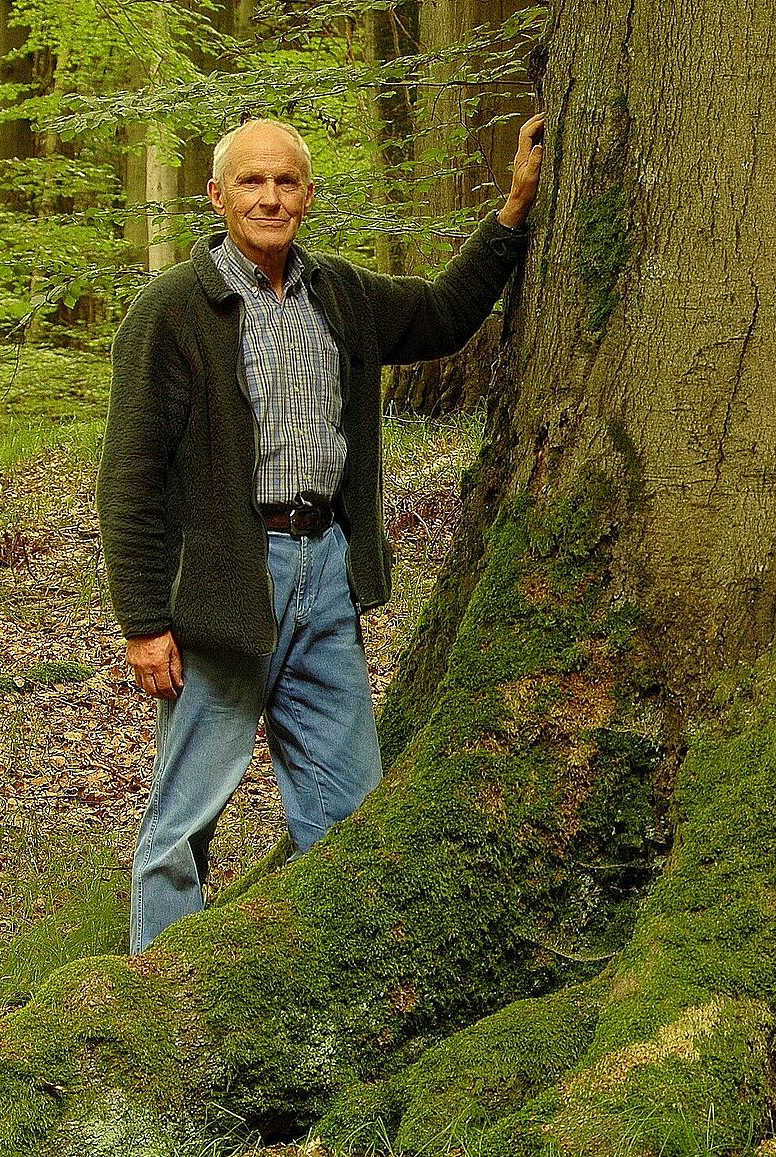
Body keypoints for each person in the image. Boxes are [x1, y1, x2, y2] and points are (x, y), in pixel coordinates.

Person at [99, 113, 546, 954]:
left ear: (308, 194)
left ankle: (337, 995)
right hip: (227, 585)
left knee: (349, 813)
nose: (270, 197)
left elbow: (443, 314)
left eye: (286, 182)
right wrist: (142, 620)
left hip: (326, 572)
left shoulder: (339, 293)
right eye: (251, 182)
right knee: (181, 822)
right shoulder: (170, 311)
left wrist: (514, 207)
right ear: (218, 195)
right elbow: (127, 475)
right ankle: (152, 1007)